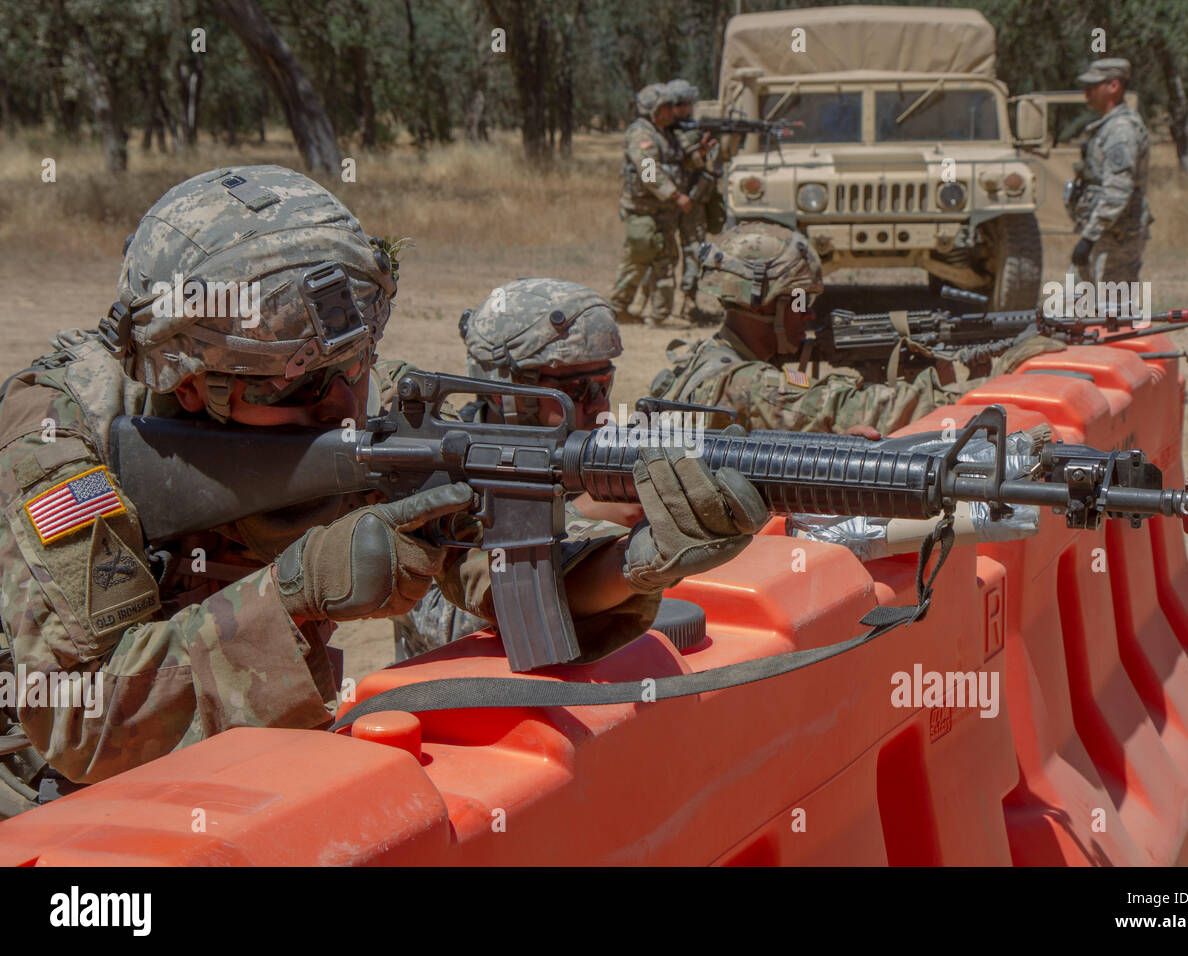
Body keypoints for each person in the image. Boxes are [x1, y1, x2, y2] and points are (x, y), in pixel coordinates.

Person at [0, 166, 767, 817]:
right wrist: (298, 590)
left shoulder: (371, 413)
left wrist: (641, 559)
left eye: (357, 364)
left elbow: (492, 575)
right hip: (56, 808)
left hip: (244, 774)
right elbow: (82, 726)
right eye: (306, 386)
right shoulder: (60, 446)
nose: (345, 407)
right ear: (197, 387)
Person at [392, 277, 644, 659]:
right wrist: (583, 516)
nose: (600, 407)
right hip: (460, 698)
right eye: (578, 390)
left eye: (604, 384)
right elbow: (438, 624)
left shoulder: (597, 449)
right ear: (504, 392)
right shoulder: (441, 468)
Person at [649, 221, 1064, 435]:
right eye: (800, 301)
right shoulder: (747, 383)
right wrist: (999, 373)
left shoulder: (709, 355)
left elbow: (795, 384)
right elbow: (873, 414)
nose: (809, 314)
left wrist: (849, 371)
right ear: (760, 304)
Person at [609, 84, 692, 327]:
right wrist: (676, 195)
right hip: (643, 211)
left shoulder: (666, 134)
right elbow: (649, 173)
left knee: (667, 261)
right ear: (652, 110)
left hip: (664, 213)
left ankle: (659, 315)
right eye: (666, 107)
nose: (672, 111)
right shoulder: (642, 134)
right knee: (638, 258)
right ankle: (617, 308)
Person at [1068, 58, 1152, 296]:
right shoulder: (1108, 127)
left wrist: (1089, 237)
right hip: (1104, 235)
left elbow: (1118, 190)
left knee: (1114, 314)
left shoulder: (1121, 131)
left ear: (1114, 87)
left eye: (1094, 86)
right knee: (1079, 306)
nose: (1086, 92)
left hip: (1116, 238)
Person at [664, 78, 724, 323]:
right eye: (681, 104)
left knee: (693, 252)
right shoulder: (655, 132)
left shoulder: (692, 130)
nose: (685, 109)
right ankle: (662, 307)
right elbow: (652, 168)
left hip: (692, 201)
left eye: (687, 104)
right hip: (671, 201)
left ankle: (687, 304)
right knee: (664, 255)